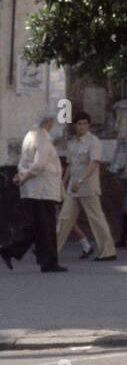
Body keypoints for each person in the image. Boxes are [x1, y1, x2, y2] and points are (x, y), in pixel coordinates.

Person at [1, 113, 65, 272]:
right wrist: (23, 178)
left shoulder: (29, 136)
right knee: (46, 227)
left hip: (34, 189)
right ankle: (48, 262)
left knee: (37, 227)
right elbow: (39, 165)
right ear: (49, 123)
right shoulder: (42, 138)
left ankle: (12, 251)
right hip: (43, 190)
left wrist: (21, 176)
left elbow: (23, 163)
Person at [56, 111, 118, 263]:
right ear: (75, 126)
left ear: (88, 125)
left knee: (96, 219)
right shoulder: (72, 143)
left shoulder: (93, 141)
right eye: (79, 123)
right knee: (64, 218)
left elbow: (94, 163)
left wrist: (81, 180)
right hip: (73, 187)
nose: (82, 126)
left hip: (88, 187)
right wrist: (63, 184)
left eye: (85, 123)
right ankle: (50, 250)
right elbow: (70, 165)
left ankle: (108, 252)